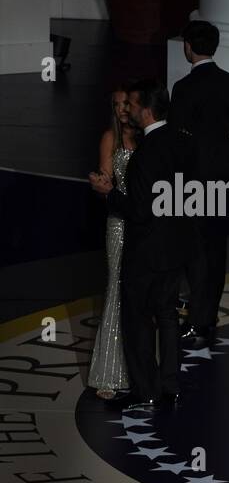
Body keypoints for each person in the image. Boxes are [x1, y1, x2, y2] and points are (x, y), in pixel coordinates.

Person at [117, 79, 198, 412]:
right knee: (167, 316)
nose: (130, 109)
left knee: (136, 319)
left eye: (134, 105)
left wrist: (109, 196)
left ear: (146, 111)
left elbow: (138, 210)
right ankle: (170, 385)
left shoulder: (145, 155)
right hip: (177, 247)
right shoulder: (184, 143)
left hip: (146, 252)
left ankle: (145, 390)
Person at [170, 20, 229, 351]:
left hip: (196, 178)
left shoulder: (183, 89)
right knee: (217, 249)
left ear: (188, 46)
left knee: (196, 251)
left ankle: (197, 320)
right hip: (226, 171)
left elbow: (179, 137)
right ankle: (207, 316)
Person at [86, 86, 138, 399]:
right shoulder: (111, 138)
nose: (122, 109)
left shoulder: (148, 136)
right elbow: (105, 182)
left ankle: (138, 367)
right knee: (117, 288)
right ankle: (109, 372)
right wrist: (102, 185)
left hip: (146, 224)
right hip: (119, 224)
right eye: (117, 104)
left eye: (126, 102)